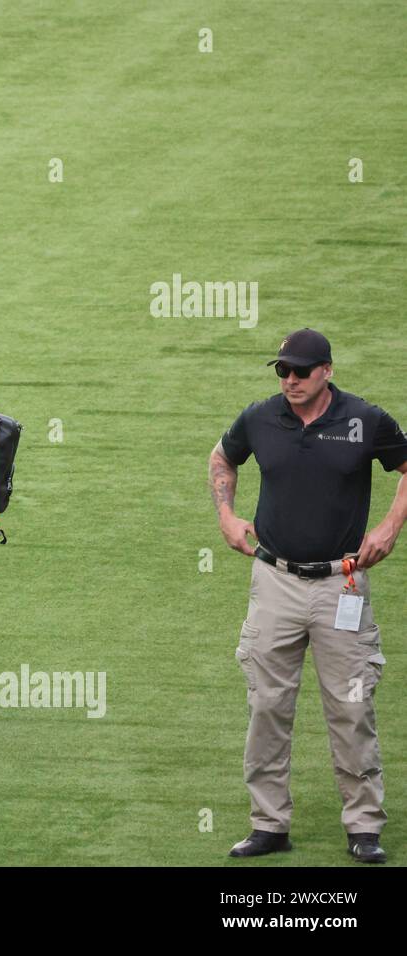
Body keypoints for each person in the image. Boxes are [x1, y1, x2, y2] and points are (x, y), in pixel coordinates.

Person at [210, 328, 407, 863]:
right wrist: (226, 514)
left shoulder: (366, 420)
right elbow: (222, 459)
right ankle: (268, 824)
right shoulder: (259, 417)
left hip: (341, 584)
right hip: (274, 582)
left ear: (327, 371)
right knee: (267, 705)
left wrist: (391, 525)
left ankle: (364, 826)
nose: (290, 380)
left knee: (351, 706)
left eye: (300, 371)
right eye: (282, 371)